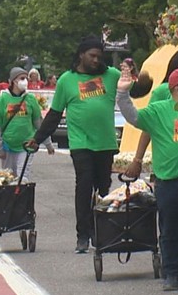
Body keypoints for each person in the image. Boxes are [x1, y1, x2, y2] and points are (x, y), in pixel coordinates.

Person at [117, 66, 178, 291]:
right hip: (168, 181)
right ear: (177, 88)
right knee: (169, 227)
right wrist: (122, 94)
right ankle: (172, 274)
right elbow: (133, 116)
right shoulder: (159, 111)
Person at [28, 37, 121, 253]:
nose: (97, 60)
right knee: (84, 184)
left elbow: (134, 91)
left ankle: (100, 231)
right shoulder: (67, 80)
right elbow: (54, 114)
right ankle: (83, 235)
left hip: (105, 142)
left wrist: (141, 79)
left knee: (104, 187)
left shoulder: (112, 75)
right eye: (92, 56)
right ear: (81, 55)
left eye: (99, 56)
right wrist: (38, 138)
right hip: (80, 142)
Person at [0, 67, 55, 179]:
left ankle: (21, 195)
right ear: (13, 81)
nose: (25, 81)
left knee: (22, 179)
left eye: (26, 78)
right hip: (7, 146)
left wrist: (48, 144)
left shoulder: (30, 99)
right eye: (21, 78)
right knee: (7, 178)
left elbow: (39, 124)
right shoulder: (3, 99)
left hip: (26, 145)